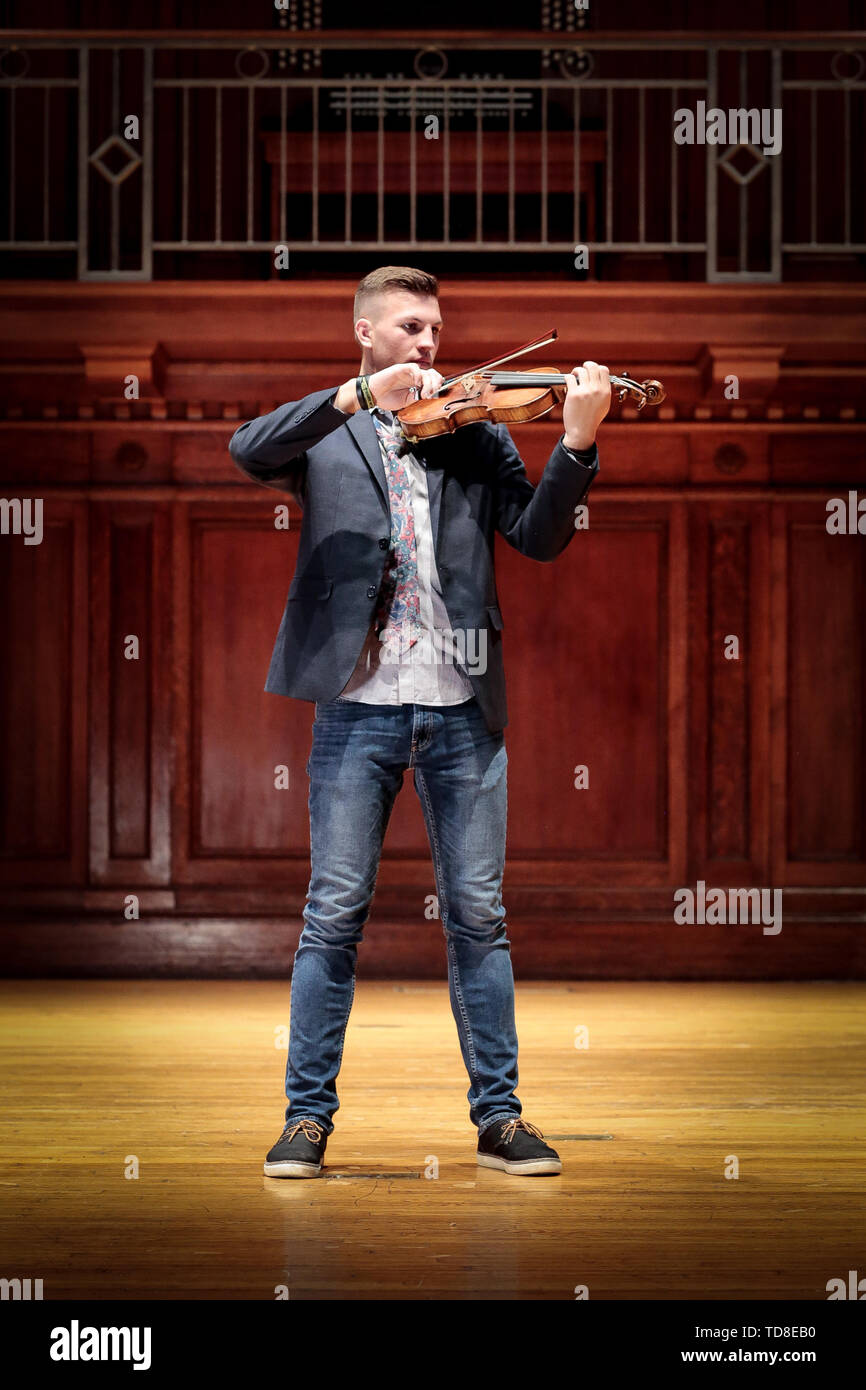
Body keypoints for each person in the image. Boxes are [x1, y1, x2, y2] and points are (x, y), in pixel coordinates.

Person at [228, 266, 610, 1178]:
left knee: (479, 918)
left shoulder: (475, 431)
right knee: (332, 917)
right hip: (356, 710)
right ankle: (306, 1120)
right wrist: (360, 396)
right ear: (366, 334)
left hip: (461, 712)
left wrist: (580, 444)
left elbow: (538, 535)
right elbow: (247, 447)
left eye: (435, 329)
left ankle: (500, 1119)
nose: (428, 345)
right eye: (408, 328)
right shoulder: (329, 432)